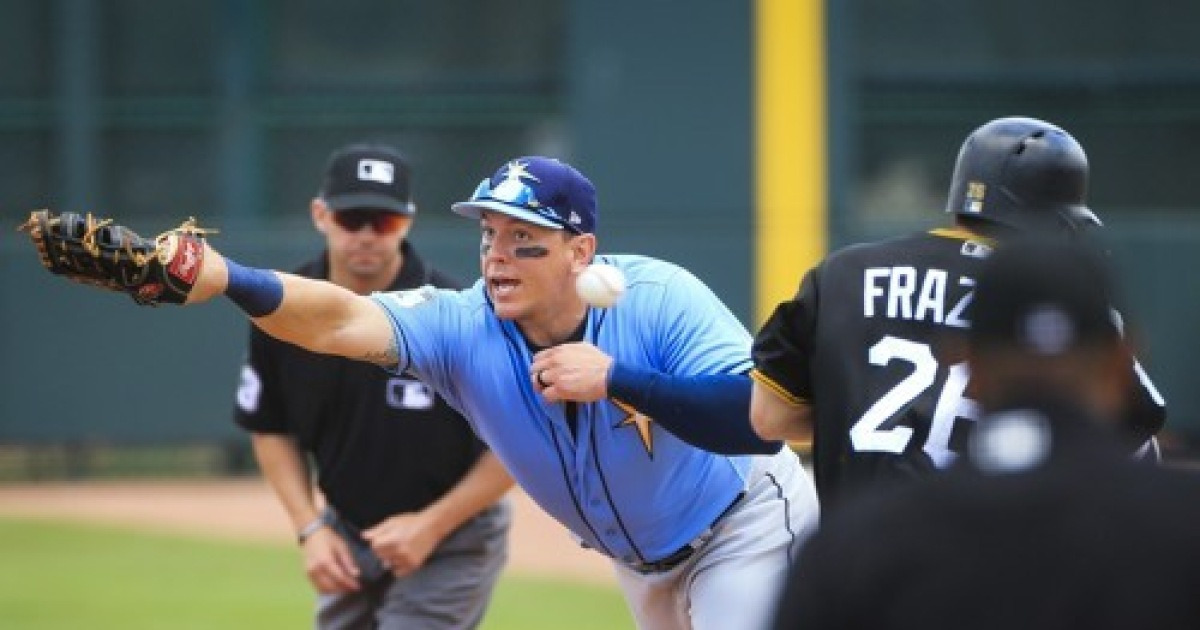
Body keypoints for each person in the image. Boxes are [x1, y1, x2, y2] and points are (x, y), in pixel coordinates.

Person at [68, 156, 820, 630]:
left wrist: (617, 377)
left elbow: (758, 425)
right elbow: (339, 321)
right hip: (639, 562)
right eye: (489, 234)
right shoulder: (461, 323)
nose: (497, 255)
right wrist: (228, 278)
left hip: (742, 526)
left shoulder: (659, 298)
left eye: (523, 237)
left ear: (580, 251)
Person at [772, 238, 1200, 630]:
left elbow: (766, 418)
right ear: (1121, 364)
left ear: (967, 366)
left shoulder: (853, 548)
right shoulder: (1182, 527)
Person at [748, 116, 1166, 512]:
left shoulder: (841, 271)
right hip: (987, 551)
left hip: (857, 552)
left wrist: (863, 415)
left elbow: (769, 419)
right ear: (1052, 220)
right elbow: (1135, 432)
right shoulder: (1052, 296)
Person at [233, 143, 514, 630]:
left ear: (407, 222)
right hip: (347, 529)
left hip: (453, 534)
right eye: (351, 218)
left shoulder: (454, 313)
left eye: (383, 221)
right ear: (321, 215)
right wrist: (310, 528)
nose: (366, 235)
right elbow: (270, 427)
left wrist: (432, 526)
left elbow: (516, 442)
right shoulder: (282, 309)